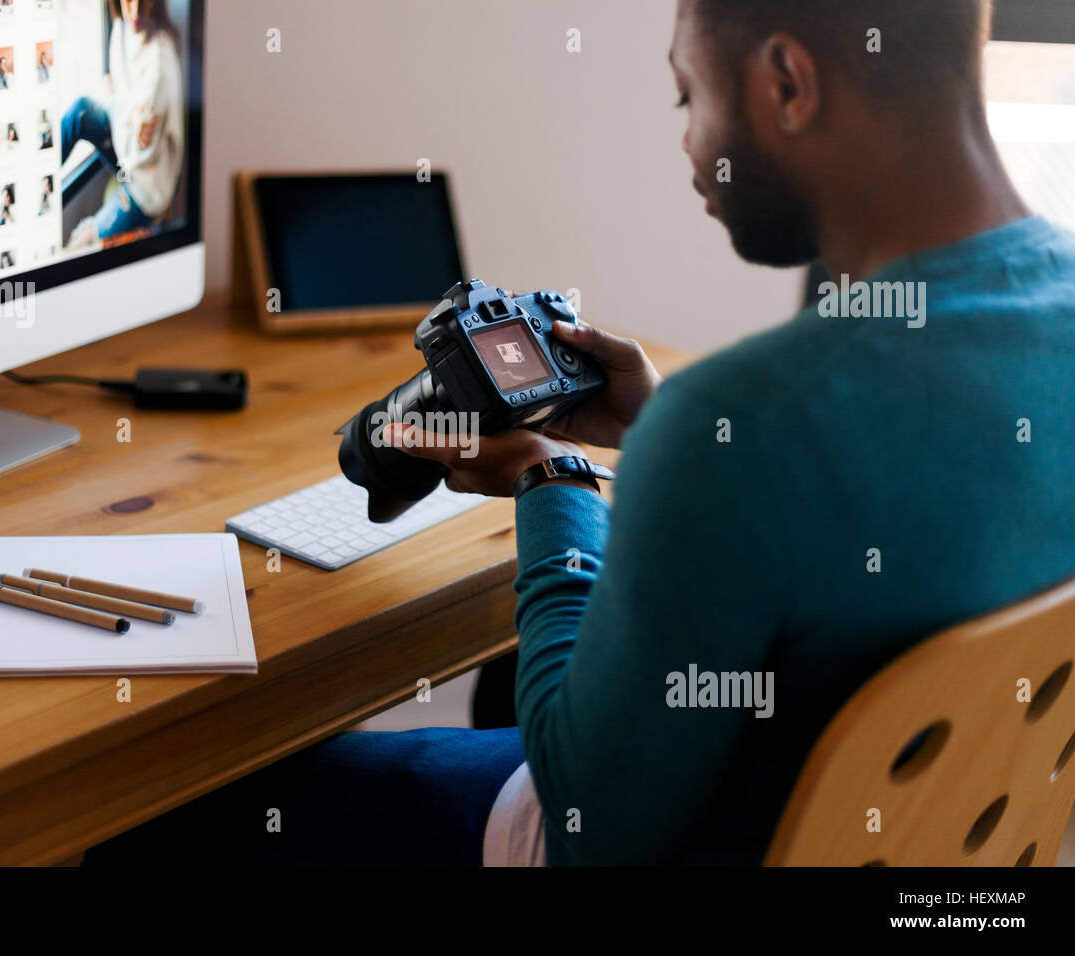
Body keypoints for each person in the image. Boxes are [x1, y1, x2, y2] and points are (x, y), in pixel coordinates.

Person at [87, 0, 1075, 869]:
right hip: (912, 842)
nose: (689, 143)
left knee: (158, 807)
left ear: (785, 81)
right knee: (502, 682)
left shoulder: (757, 419)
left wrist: (547, 472)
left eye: (689, 97)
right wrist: (662, 430)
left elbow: (586, 820)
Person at [60, 0, 184, 241]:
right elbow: (120, 103)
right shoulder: (122, 28)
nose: (134, 11)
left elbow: (140, 153)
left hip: (146, 183)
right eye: (128, 0)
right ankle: (38, 181)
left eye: (143, 2)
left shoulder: (159, 63)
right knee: (80, 111)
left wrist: (114, 103)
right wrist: (126, 114)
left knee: (83, 242)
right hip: (126, 142)